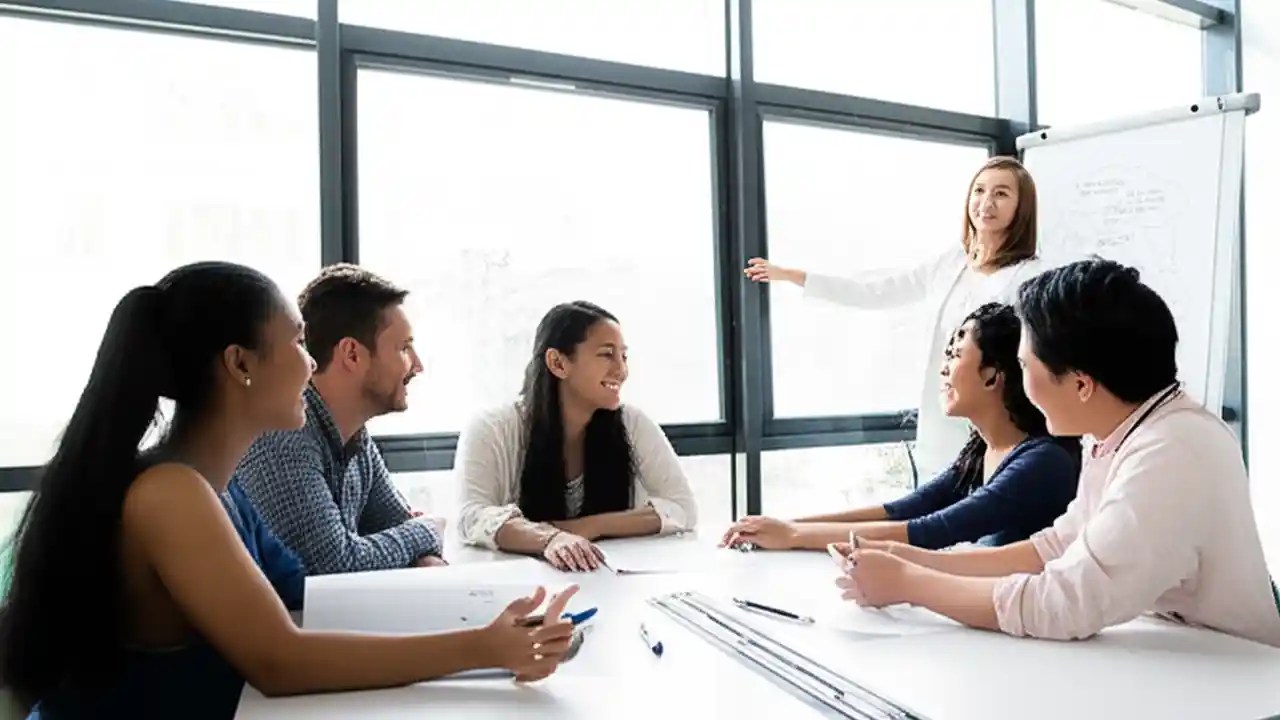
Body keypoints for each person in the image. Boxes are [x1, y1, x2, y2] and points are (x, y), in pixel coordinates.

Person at [0, 262, 580, 719]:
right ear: (241, 364)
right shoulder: (170, 493)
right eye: (300, 343)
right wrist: (481, 647)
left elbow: (308, 592)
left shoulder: (217, 487)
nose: (311, 365)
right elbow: (281, 659)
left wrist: (465, 621)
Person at [834, 259, 1280, 648]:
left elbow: (1064, 604)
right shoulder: (1124, 431)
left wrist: (910, 584)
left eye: (1026, 366)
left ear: (1081, 384)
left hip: (1232, 682)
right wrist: (915, 561)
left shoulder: (1172, 452)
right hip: (1171, 659)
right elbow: (1058, 547)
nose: (1020, 380)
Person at [745, 156, 1045, 480]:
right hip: (942, 416)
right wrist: (796, 276)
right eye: (979, 191)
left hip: (999, 419)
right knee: (936, 502)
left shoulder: (1030, 275)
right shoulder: (951, 263)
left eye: (1001, 194)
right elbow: (877, 289)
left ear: (1021, 207)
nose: (986, 202)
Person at [721, 302, 1079, 552]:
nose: (943, 370)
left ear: (992, 377)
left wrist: (795, 534)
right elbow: (904, 509)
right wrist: (785, 524)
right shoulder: (983, 449)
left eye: (954, 356)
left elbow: (931, 531)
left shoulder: (1042, 462)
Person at [233, 264, 446, 576]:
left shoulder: (355, 435)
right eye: (404, 348)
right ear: (352, 354)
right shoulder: (281, 435)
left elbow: (398, 526)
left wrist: (422, 550)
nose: (418, 365)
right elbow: (332, 565)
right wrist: (427, 530)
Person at [456, 301, 698, 572]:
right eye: (607, 355)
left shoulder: (633, 423)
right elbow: (472, 517)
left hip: (610, 582)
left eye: (624, 356)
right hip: (524, 588)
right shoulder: (492, 429)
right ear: (558, 363)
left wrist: (586, 527)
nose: (622, 370)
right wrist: (549, 538)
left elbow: (683, 508)